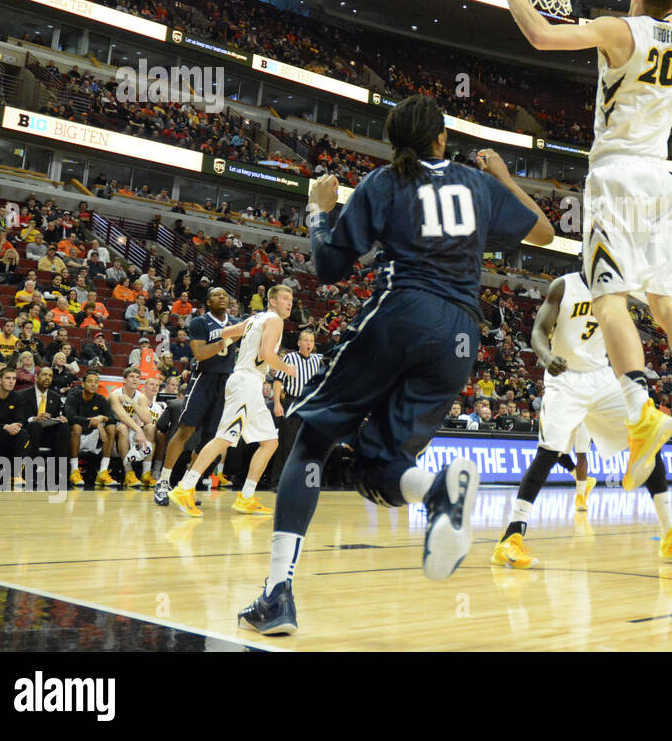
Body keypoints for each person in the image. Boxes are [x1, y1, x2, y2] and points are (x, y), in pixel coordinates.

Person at [238, 95, 553, 636]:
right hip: (460, 337)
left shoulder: (384, 183)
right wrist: (502, 174)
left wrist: (319, 210)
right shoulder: (476, 186)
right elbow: (544, 232)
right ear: (441, 139)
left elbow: (331, 266)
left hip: (401, 312)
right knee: (373, 465)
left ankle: (279, 594)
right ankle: (437, 494)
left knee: (311, 438)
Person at [489, 0, 672, 490]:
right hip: (661, 183)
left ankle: (643, 412)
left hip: (616, 175)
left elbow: (542, 35)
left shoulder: (620, 29)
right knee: (667, 304)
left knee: (611, 298)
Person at [491, 272, 672, 569]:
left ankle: (670, 534)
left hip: (603, 377)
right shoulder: (563, 285)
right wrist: (545, 356)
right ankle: (511, 536)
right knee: (549, 453)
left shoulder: (617, 289)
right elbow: (538, 330)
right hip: (564, 379)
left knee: (645, 439)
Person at [169, 286, 298, 517]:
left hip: (249, 383)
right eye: (285, 299)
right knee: (224, 438)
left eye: (291, 299)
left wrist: (223, 345)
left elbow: (226, 331)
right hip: (246, 382)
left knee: (269, 442)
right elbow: (267, 353)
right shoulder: (275, 320)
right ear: (272, 301)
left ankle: (246, 497)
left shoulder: (254, 319)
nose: (290, 303)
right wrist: (286, 367)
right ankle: (184, 487)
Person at [153, 287, 247, 505]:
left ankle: (186, 486)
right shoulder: (200, 322)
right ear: (208, 301)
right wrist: (227, 339)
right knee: (185, 430)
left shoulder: (235, 322)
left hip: (225, 383)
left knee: (210, 439)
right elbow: (201, 354)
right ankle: (163, 482)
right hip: (203, 379)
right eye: (216, 294)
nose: (222, 296)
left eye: (225, 294)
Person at [268, 329, 323, 487]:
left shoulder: (317, 360)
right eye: (305, 340)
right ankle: (279, 482)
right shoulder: (289, 358)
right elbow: (278, 381)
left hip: (310, 406)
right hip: (292, 403)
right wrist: (277, 402)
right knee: (287, 443)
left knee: (309, 444)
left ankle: (308, 482)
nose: (308, 344)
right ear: (299, 343)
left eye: (311, 341)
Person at [20, 366, 72, 484]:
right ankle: (30, 472)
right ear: (36, 377)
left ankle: (59, 473)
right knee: (35, 425)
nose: (47, 378)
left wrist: (60, 418)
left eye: (50, 376)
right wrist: (34, 418)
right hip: (29, 432)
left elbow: (57, 415)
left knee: (64, 426)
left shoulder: (56, 397)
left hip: (48, 433)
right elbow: (18, 418)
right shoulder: (22, 395)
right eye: (44, 375)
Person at [108, 368, 158, 489]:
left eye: (137, 377)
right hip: (114, 429)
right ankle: (128, 473)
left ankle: (146, 474)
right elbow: (122, 416)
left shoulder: (141, 397)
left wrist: (132, 402)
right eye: (131, 376)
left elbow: (147, 420)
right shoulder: (114, 395)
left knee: (151, 428)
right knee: (123, 427)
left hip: (134, 430)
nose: (135, 379)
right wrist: (138, 429)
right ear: (124, 380)